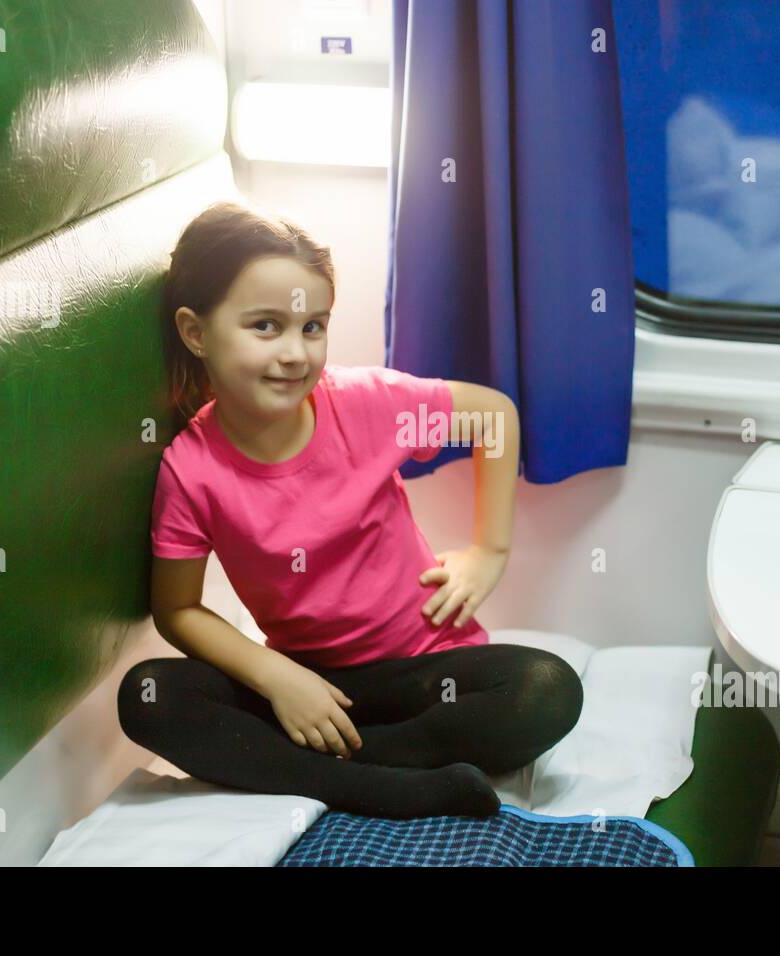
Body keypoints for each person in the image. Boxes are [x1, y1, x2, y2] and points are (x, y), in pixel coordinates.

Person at [117, 201, 584, 819]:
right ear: (195, 332)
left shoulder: (367, 403)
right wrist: (278, 678)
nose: (295, 353)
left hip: (424, 676)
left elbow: (492, 415)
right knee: (148, 697)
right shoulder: (190, 469)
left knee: (546, 689)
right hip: (310, 685)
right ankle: (384, 785)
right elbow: (176, 609)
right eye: (265, 326)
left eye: (313, 326)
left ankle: (355, 766)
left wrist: (489, 551)